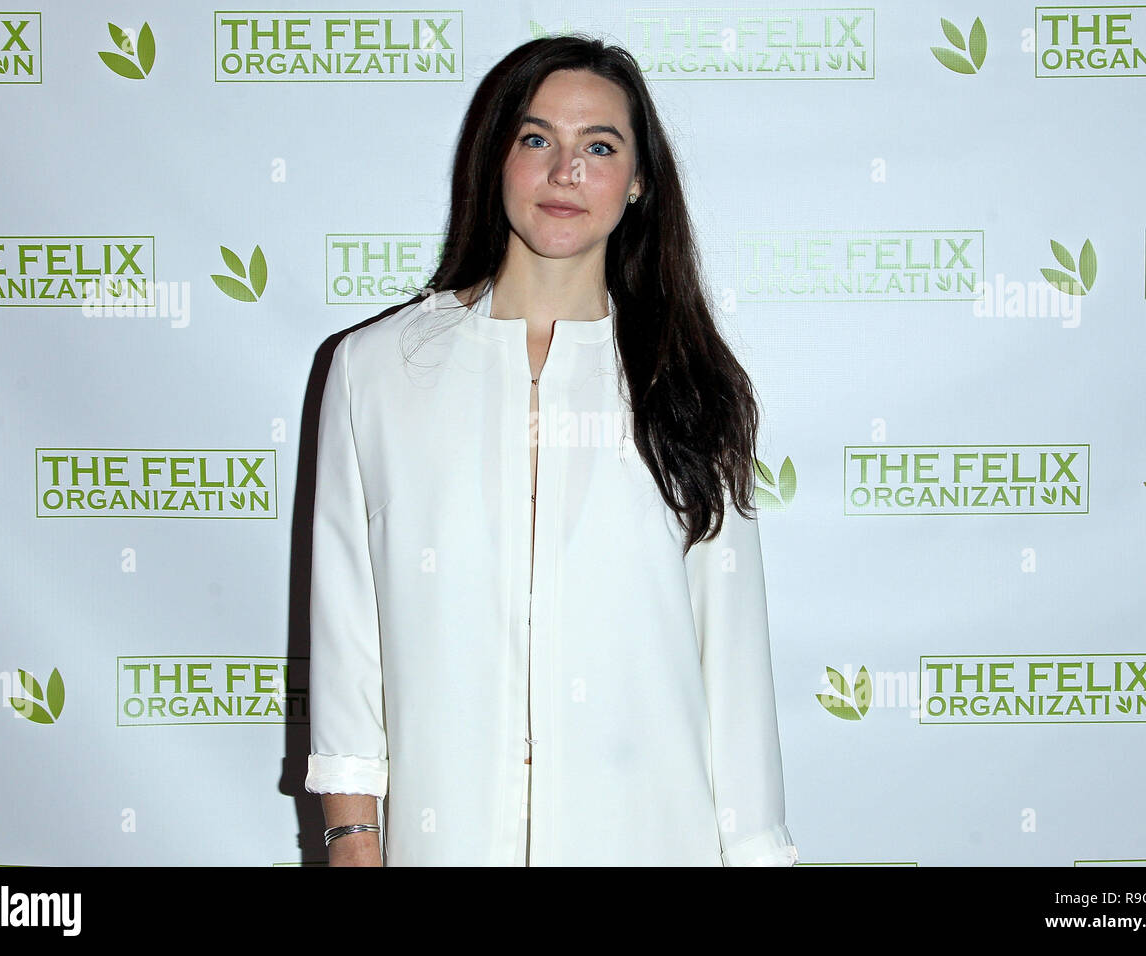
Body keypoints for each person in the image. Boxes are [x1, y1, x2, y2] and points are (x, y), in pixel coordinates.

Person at [305, 34, 797, 866]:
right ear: (496, 159)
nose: (566, 171)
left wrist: (755, 851)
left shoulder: (690, 385)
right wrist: (356, 844)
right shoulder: (377, 369)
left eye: (599, 147)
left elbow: (734, 664)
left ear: (638, 181)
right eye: (537, 139)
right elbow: (349, 630)